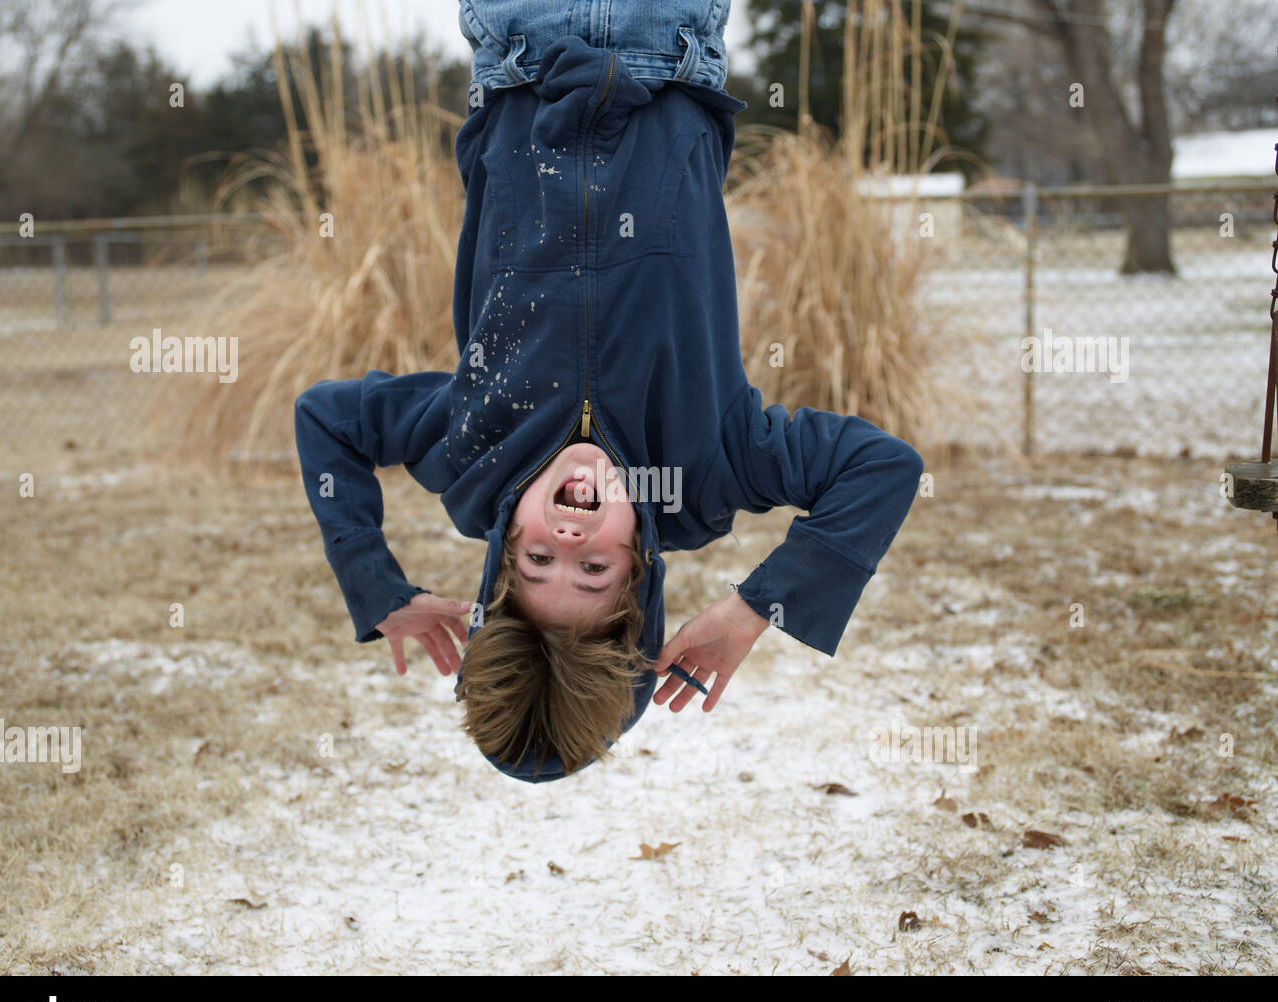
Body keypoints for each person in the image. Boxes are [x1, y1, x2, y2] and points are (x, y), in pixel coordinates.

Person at [294, 2, 924, 784]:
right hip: (666, 43)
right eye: (592, 573)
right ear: (639, 570)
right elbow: (882, 465)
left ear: (500, 556)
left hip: (522, 43)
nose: (569, 535)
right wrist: (760, 608)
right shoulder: (710, 475)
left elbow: (327, 419)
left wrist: (374, 583)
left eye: (535, 560)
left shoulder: (468, 458)